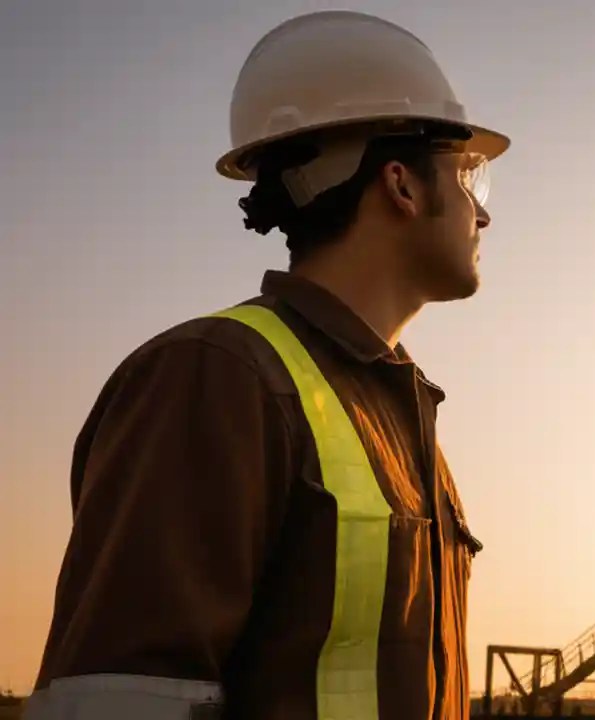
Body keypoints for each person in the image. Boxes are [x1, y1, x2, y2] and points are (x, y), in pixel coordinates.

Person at [24, 10, 508, 720]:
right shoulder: (215, 379)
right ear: (401, 185)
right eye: (469, 176)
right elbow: (120, 700)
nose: (483, 213)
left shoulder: (400, 418)